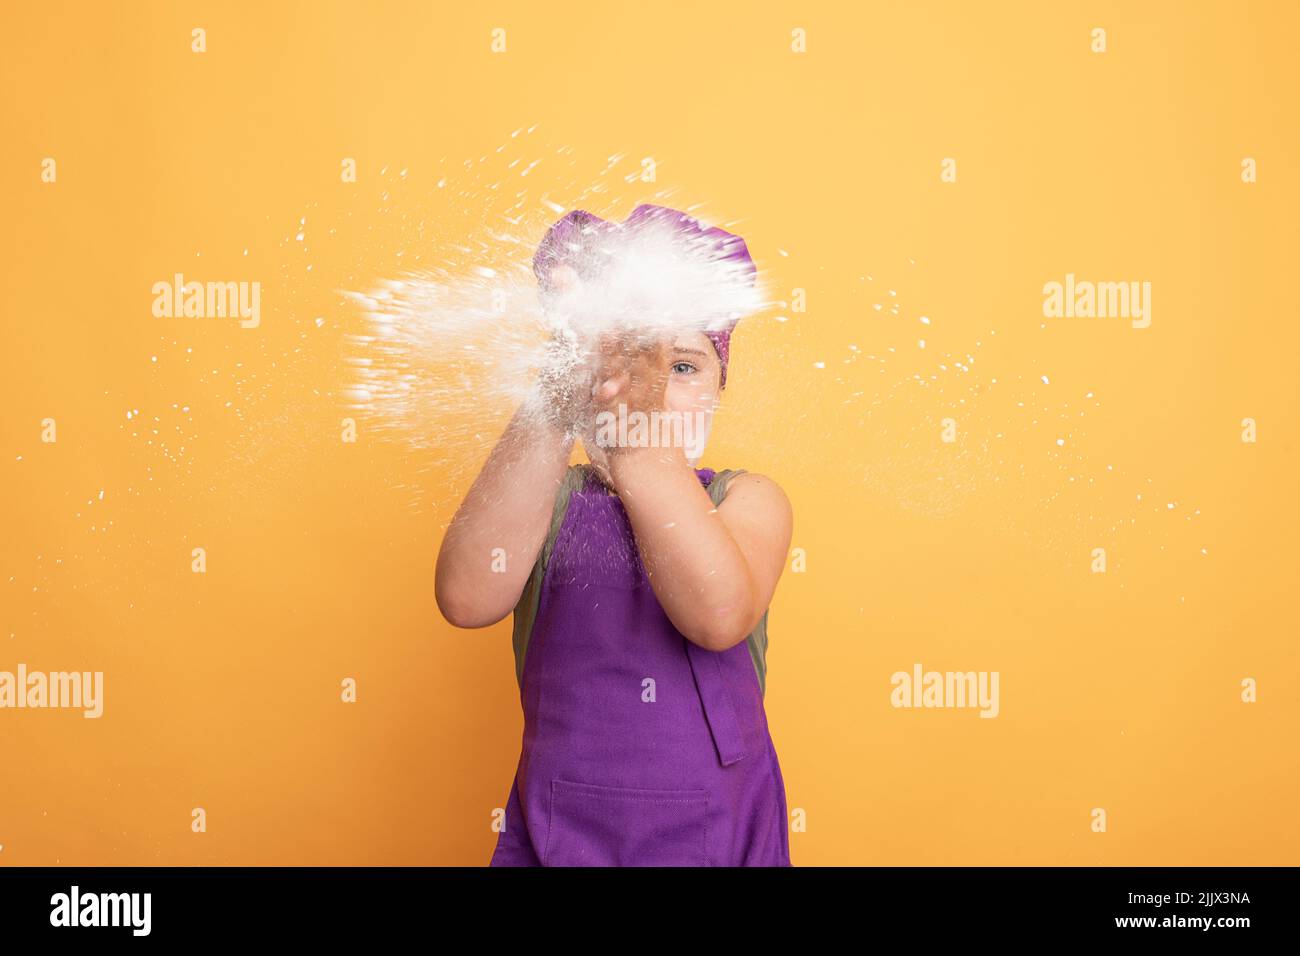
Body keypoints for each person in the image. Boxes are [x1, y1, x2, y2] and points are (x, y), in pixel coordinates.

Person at [435, 204, 794, 866]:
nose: (653, 388)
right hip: (560, 833)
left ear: (722, 387)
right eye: (628, 366)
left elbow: (717, 616)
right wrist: (561, 391)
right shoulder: (553, 499)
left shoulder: (745, 500)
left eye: (682, 368)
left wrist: (634, 427)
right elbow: (465, 597)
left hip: (718, 837)